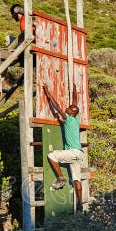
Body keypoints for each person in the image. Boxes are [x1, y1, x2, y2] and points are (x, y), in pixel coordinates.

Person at [41, 82, 85, 211]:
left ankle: (61, 179)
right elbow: (75, 103)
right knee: (77, 179)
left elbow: (57, 106)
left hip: (73, 152)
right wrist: (75, 90)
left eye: (70, 108)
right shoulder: (76, 119)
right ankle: (80, 204)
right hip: (79, 154)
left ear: (71, 113)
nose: (68, 107)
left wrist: (47, 92)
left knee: (52, 156)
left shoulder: (68, 118)